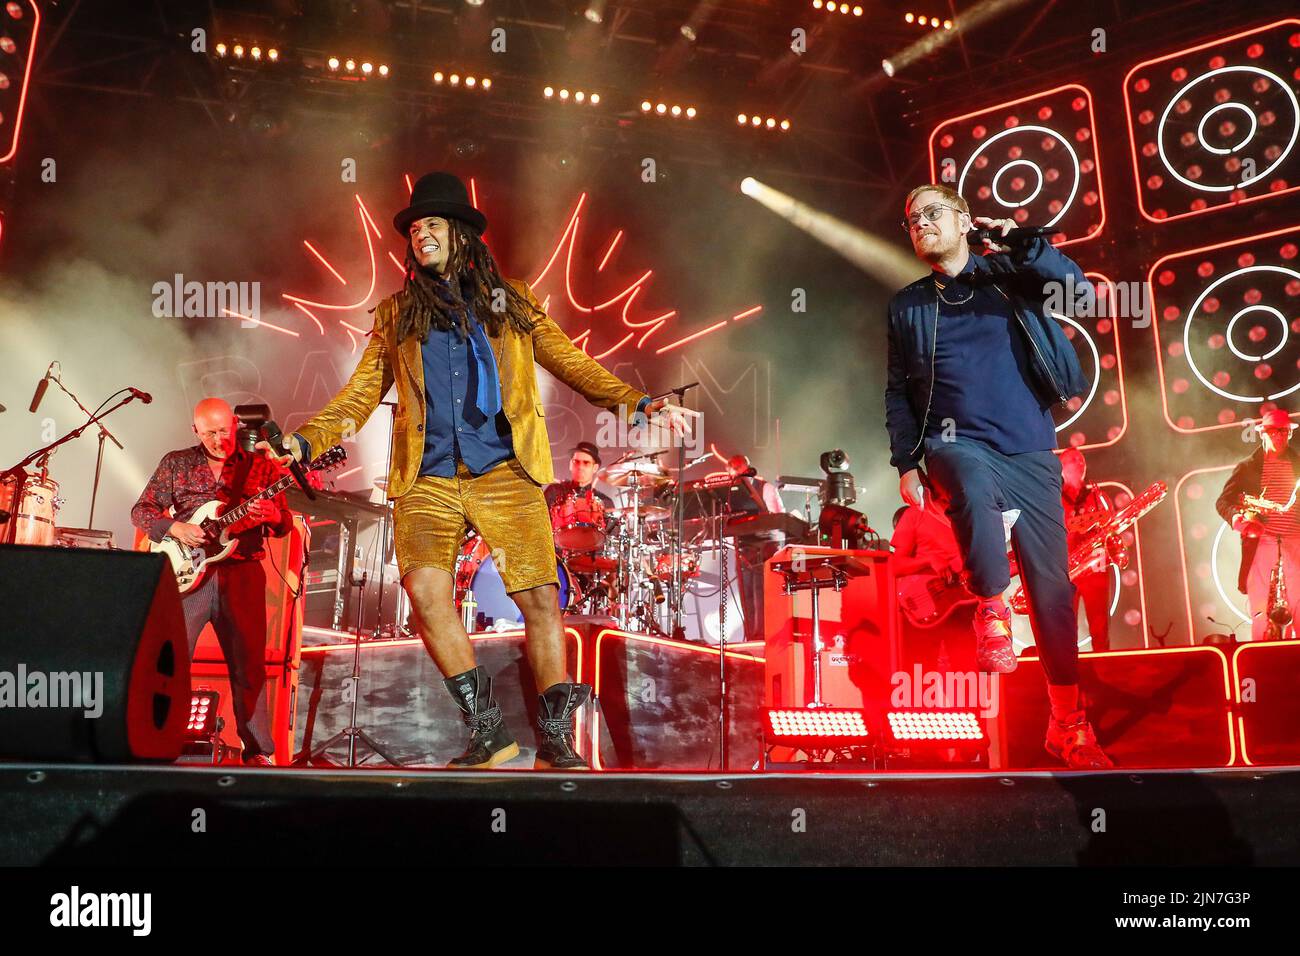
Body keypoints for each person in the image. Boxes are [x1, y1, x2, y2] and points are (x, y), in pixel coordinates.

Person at [261, 172, 693, 770]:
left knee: (541, 598)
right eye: (414, 228)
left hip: (504, 470)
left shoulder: (510, 301)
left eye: (433, 223)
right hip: (428, 475)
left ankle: (556, 743)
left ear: (461, 234)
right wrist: (307, 441)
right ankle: (488, 732)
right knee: (425, 594)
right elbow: (358, 395)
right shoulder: (396, 315)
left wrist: (637, 403)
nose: (421, 234)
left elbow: (571, 361)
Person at [883, 182, 1111, 769]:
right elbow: (898, 391)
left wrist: (1029, 244)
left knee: (1054, 592)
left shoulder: (1010, 276)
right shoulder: (907, 305)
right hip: (953, 441)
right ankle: (992, 607)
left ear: (964, 220)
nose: (920, 225)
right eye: (911, 221)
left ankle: (1067, 724)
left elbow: (1080, 293)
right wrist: (907, 460)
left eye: (932, 213)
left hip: (1030, 446)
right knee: (972, 482)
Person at [132, 397, 292, 766]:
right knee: (170, 662)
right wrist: (174, 527)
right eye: (209, 433)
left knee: (249, 665)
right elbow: (141, 511)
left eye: (224, 430)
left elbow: (282, 523)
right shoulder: (177, 462)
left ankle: (259, 752)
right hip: (187, 575)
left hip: (243, 572)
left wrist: (271, 514)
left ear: (236, 425)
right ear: (195, 431)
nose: (219, 439)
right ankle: (158, 741)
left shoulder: (262, 465)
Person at [1215, 407, 1300, 642]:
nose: (1280, 437)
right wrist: (1238, 520)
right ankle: (1260, 653)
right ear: (1262, 433)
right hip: (1262, 540)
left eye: (1284, 432)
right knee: (1260, 605)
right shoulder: (1247, 467)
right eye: (1274, 432)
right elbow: (1223, 501)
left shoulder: (1299, 464)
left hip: (1296, 540)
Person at [1059, 447, 1114, 651]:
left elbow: (1111, 526)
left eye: (1082, 460)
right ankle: (1068, 676)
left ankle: (1104, 671)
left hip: (1095, 569)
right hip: (1066, 572)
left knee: (1100, 629)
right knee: (1065, 629)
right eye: (1074, 459)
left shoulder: (1098, 496)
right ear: (1062, 468)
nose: (1080, 462)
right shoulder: (1053, 500)